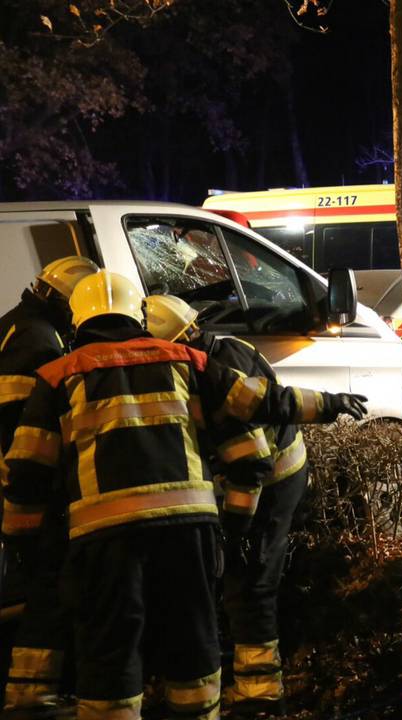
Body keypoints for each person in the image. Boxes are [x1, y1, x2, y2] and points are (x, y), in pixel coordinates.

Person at [2, 271, 367, 720]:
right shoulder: (183, 360)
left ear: (77, 321)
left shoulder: (59, 377)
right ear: (137, 314)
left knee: (110, 649)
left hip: (103, 539)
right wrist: (328, 403)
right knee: (193, 640)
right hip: (187, 531)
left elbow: (27, 471)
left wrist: (21, 542)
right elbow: (254, 398)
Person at [144, 295, 304, 717]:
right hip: (264, 474)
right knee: (240, 578)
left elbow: (251, 466)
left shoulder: (217, 377)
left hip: (270, 482)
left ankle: (260, 694)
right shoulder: (224, 350)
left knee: (250, 581)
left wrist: (236, 530)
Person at [0, 256, 99, 716]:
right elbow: (28, 433)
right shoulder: (43, 343)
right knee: (48, 590)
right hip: (23, 486)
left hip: (14, 481)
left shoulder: (16, 325)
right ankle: (33, 697)